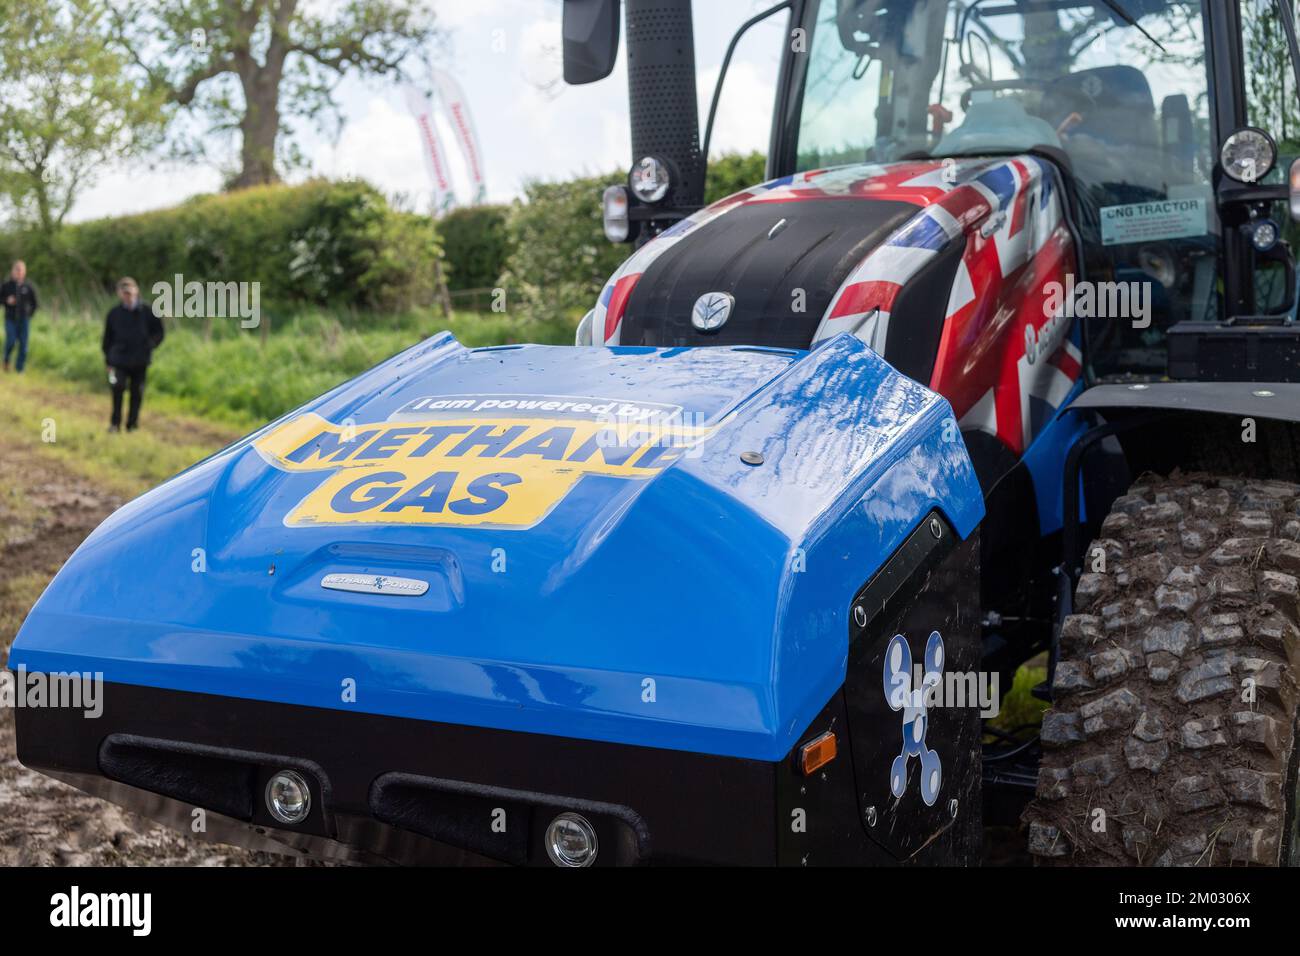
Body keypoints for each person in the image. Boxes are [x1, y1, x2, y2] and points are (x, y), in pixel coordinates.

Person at [102, 277, 164, 432]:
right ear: (119, 294)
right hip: (118, 360)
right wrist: (108, 360)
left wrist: (150, 345)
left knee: (137, 393)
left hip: (140, 360)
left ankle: (132, 425)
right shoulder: (114, 314)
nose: (127, 295)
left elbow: (159, 332)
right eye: (124, 293)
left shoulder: (148, 311)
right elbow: (107, 338)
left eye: (129, 292)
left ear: (136, 291)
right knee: (117, 388)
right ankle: (115, 424)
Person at [1, 260, 38, 372]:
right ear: (12, 271)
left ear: (24, 272)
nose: (18, 272)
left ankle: (19, 369)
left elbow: (35, 303)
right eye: (16, 270)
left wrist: (29, 314)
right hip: (10, 319)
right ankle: (6, 359)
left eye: (20, 270)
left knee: (23, 345)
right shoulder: (6, 285)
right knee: (11, 341)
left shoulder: (29, 286)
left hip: (24, 319)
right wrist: (7, 301)